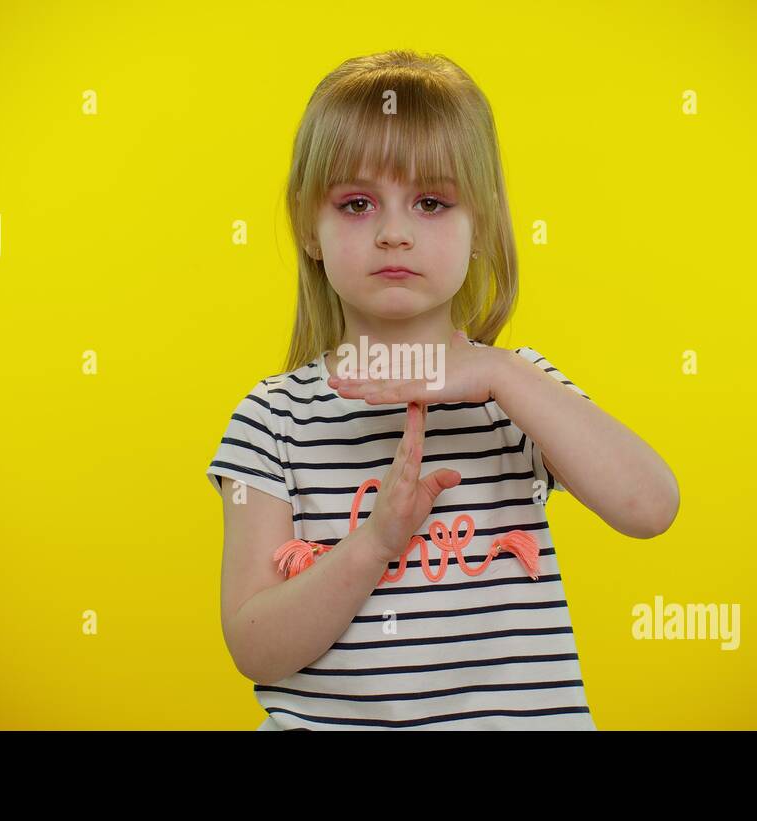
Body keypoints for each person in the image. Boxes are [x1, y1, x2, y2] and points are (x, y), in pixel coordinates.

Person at [207, 49, 679, 730]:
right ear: (309, 225)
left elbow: (651, 505)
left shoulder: (516, 392)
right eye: (358, 203)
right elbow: (255, 646)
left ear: (479, 224)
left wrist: (496, 372)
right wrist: (373, 545)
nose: (394, 233)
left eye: (431, 202)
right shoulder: (271, 418)